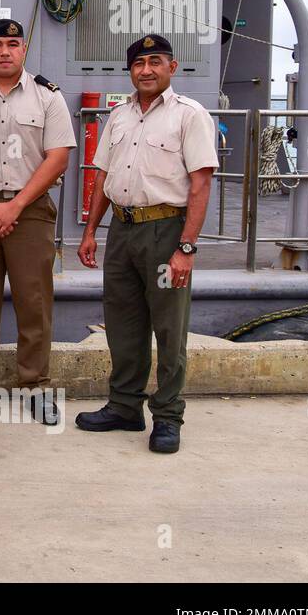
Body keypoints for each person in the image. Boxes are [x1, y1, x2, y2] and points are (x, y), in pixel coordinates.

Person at [77, 35, 218, 454]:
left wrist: (186, 249)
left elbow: (201, 183)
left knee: (169, 329)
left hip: (165, 232)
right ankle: (124, 406)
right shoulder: (119, 116)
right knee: (122, 323)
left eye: (156, 61)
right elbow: (102, 175)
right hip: (122, 230)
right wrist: (90, 231)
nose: (147, 70)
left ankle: (169, 416)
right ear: (130, 70)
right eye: (139, 63)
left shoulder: (190, 116)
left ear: (172, 68)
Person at [0, 20, 76, 424]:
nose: (4, 52)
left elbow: (58, 156)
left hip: (30, 210)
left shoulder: (48, 97)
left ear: (23, 49)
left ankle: (35, 386)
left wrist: (16, 206)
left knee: (34, 301)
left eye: (12, 44)